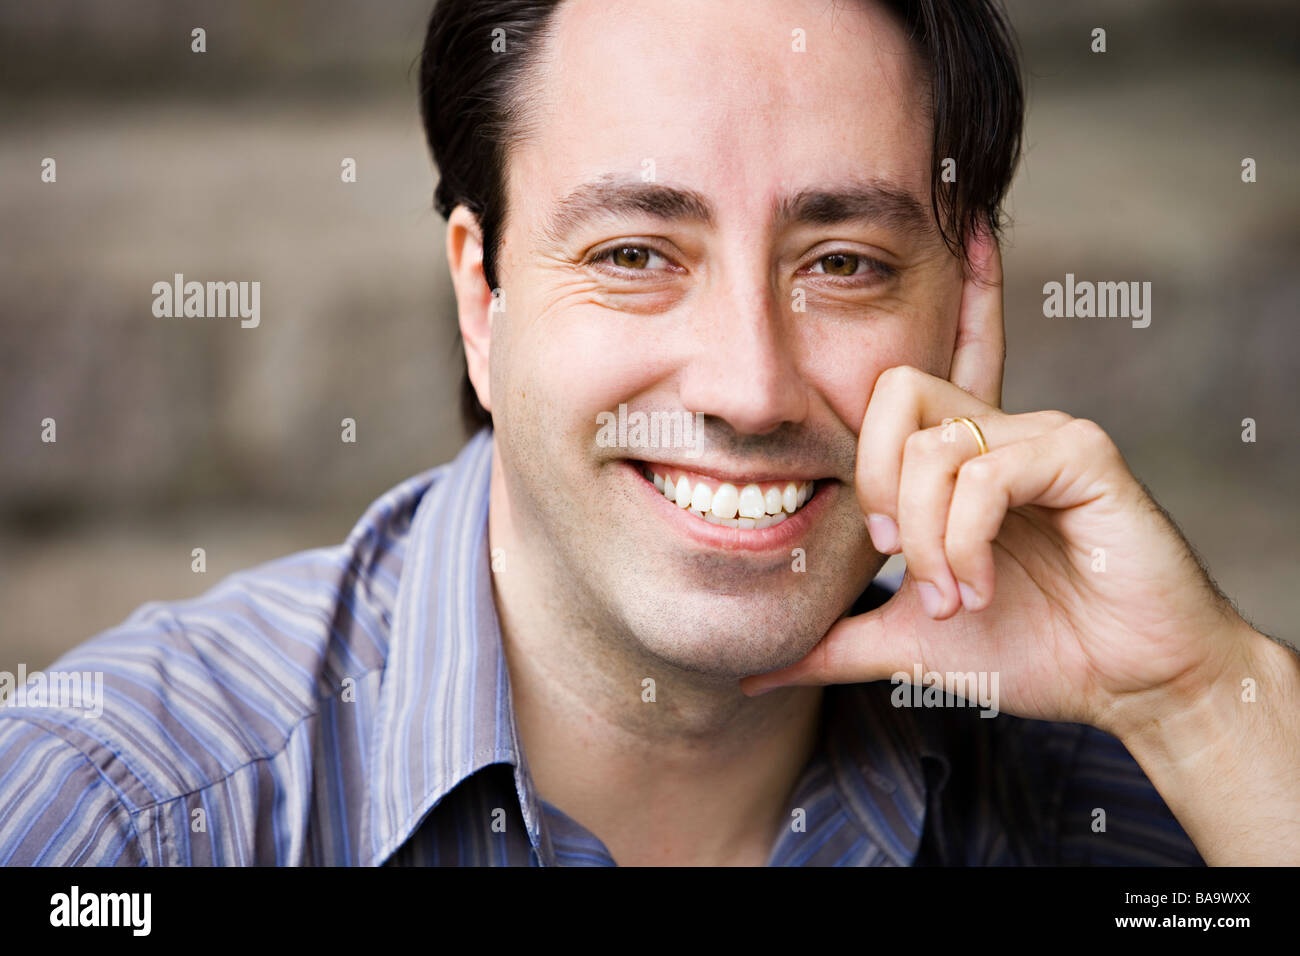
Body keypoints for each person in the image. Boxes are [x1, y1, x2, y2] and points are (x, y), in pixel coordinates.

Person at [1, 0, 1296, 867]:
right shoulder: (121, 819)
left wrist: (1195, 705)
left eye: (842, 263)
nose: (750, 387)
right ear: (481, 294)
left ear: (963, 307)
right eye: (635, 252)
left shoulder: (1141, 799)